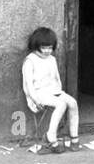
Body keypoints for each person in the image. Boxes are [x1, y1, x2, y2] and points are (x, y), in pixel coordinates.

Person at [21, 26, 81, 154]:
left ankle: (74, 138)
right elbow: (28, 85)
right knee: (61, 104)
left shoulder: (52, 59)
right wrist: (34, 99)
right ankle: (50, 136)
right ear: (36, 46)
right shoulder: (30, 61)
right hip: (39, 93)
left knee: (73, 103)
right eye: (44, 47)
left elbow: (56, 79)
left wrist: (60, 93)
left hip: (54, 91)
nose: (48, 51)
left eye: (50, 47)